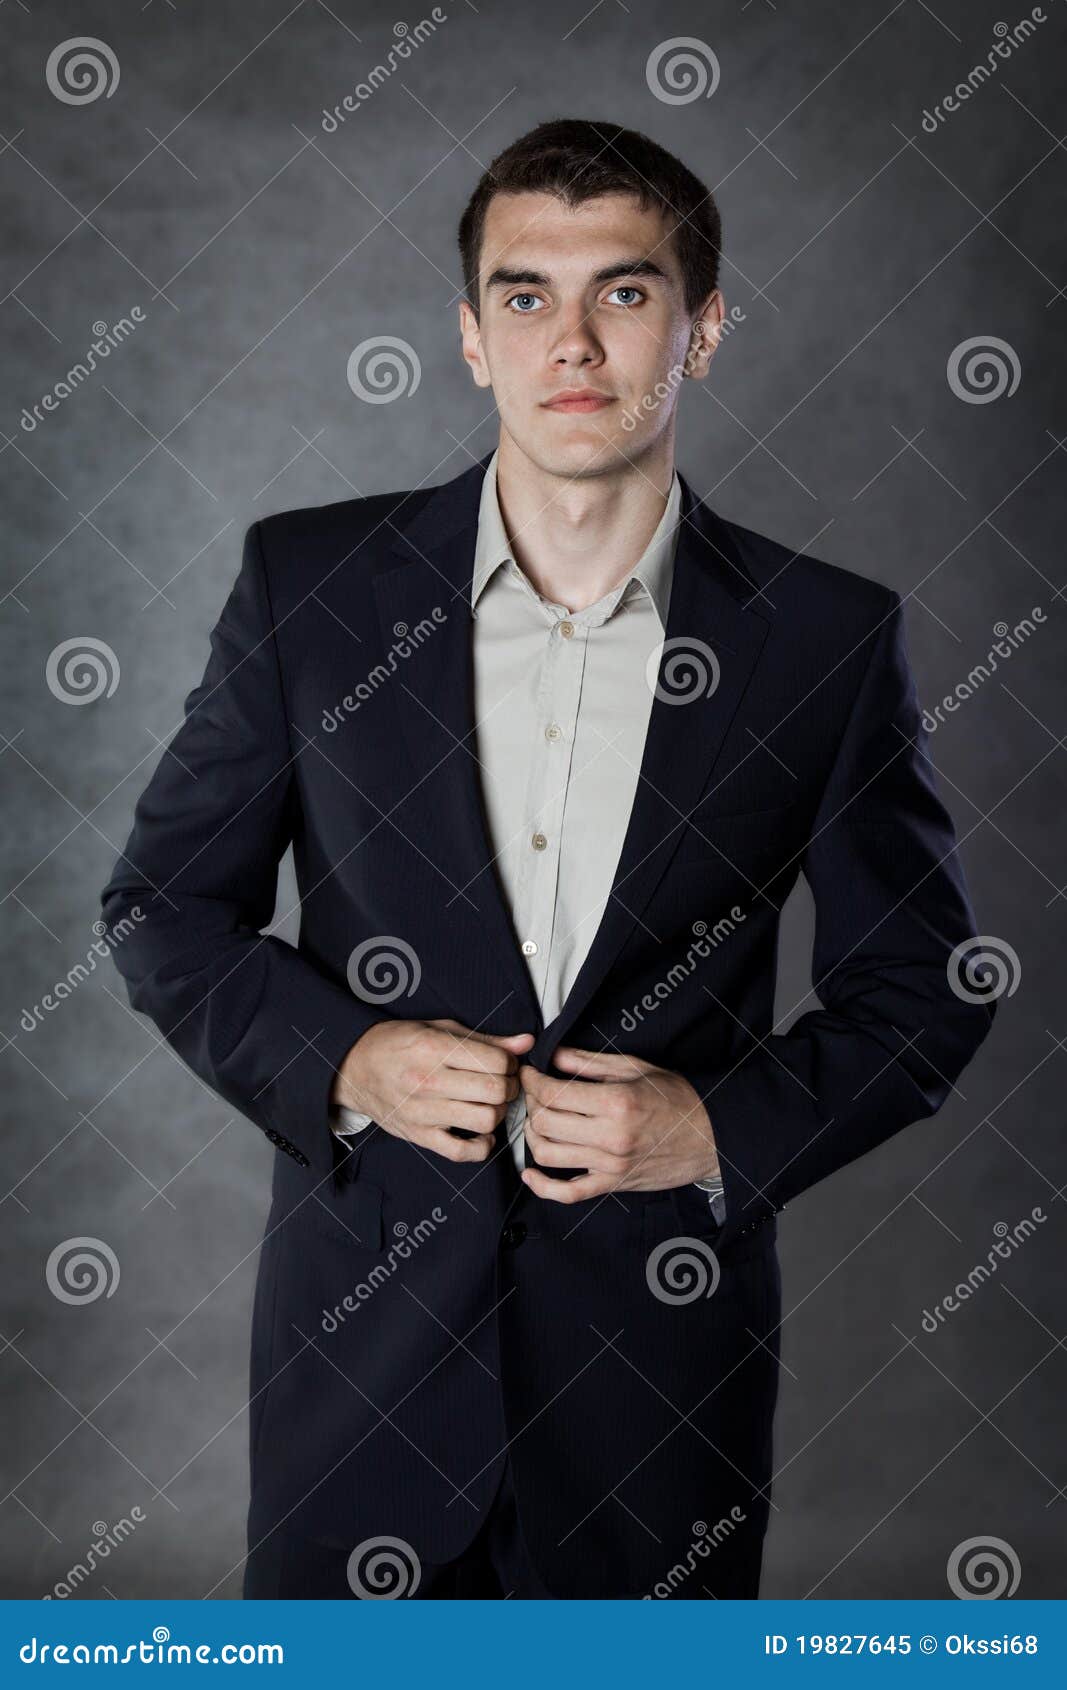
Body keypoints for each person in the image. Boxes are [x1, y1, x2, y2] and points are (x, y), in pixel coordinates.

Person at [100, 118, 995, 1599]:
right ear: (469, 336)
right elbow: (160, 906)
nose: (571, 340)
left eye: (625, 293)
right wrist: (350, 1059)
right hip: (361, 1381)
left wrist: (713, 1127)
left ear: (702, 329)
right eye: (525, 295)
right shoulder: (310, 590)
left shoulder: (825, 642)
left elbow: (927, 987)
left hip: (660, 1403)